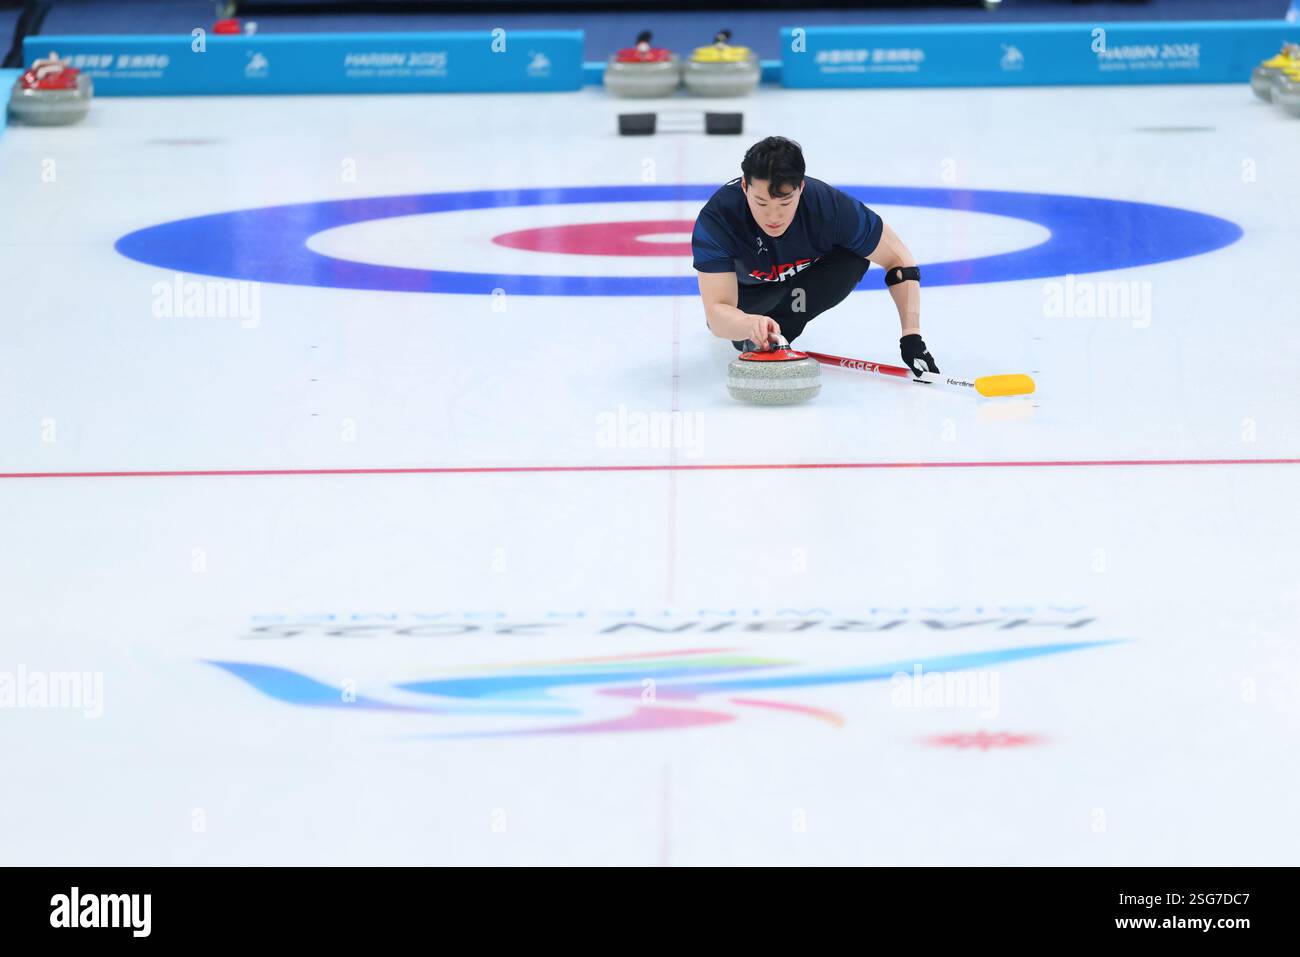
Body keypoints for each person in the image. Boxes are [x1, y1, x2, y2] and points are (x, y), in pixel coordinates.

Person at [691, 135, 939, 377]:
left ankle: (782, 328)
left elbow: (899, 262)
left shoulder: (830, 208)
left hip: (802, 288)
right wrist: (749, 325)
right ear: (745, 187)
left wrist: (912, 335)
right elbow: (717, 314)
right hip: (748, 299)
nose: (773, 217)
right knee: (741, 327)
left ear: (801, 187)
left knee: (853, 257)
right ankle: (760, 333)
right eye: (762, 203)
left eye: (785, 203)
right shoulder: (719, 218)